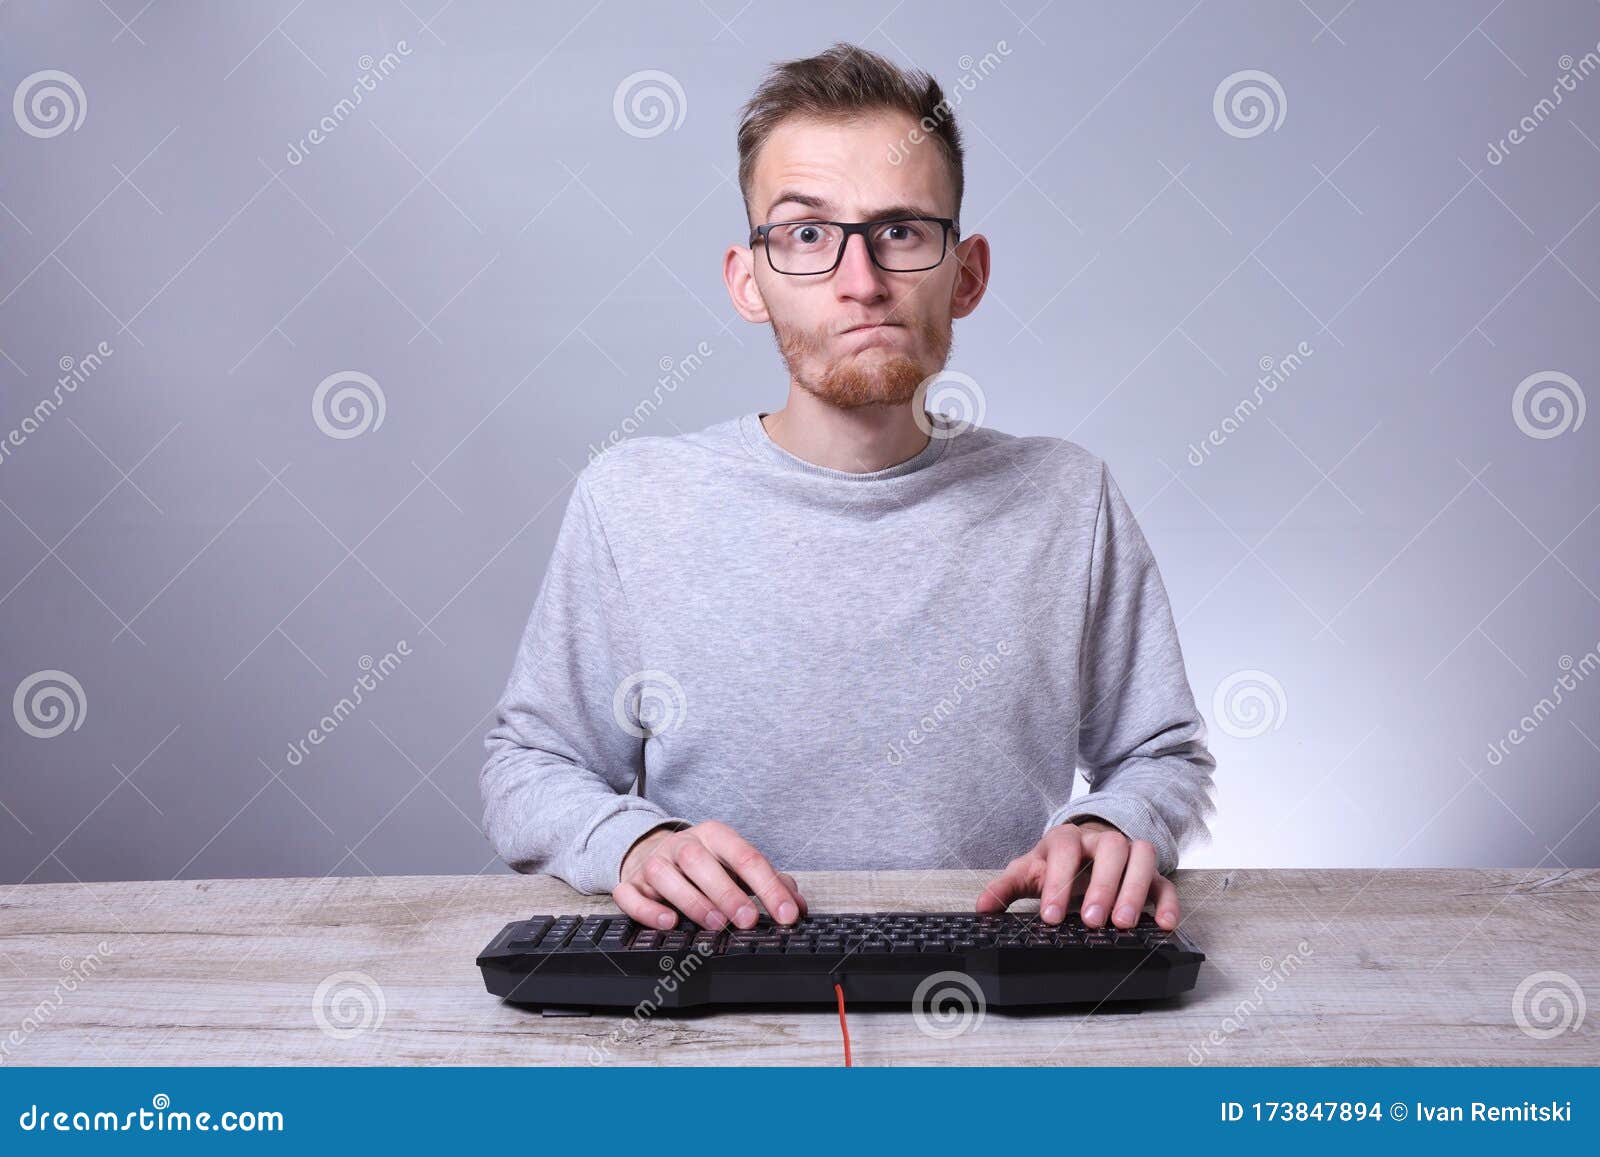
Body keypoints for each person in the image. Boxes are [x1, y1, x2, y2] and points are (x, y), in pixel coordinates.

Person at [481, 42, 1216, 937]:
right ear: (749, 281)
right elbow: (529, 767)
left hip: (1003, 1000)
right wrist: (631, 842)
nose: (860, 282)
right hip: (713, 995)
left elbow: (1160, 756)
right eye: (806, 234)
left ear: (968, 272)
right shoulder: (634, 500)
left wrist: (1111, 823)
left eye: (901, 230)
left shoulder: (1068, 499)